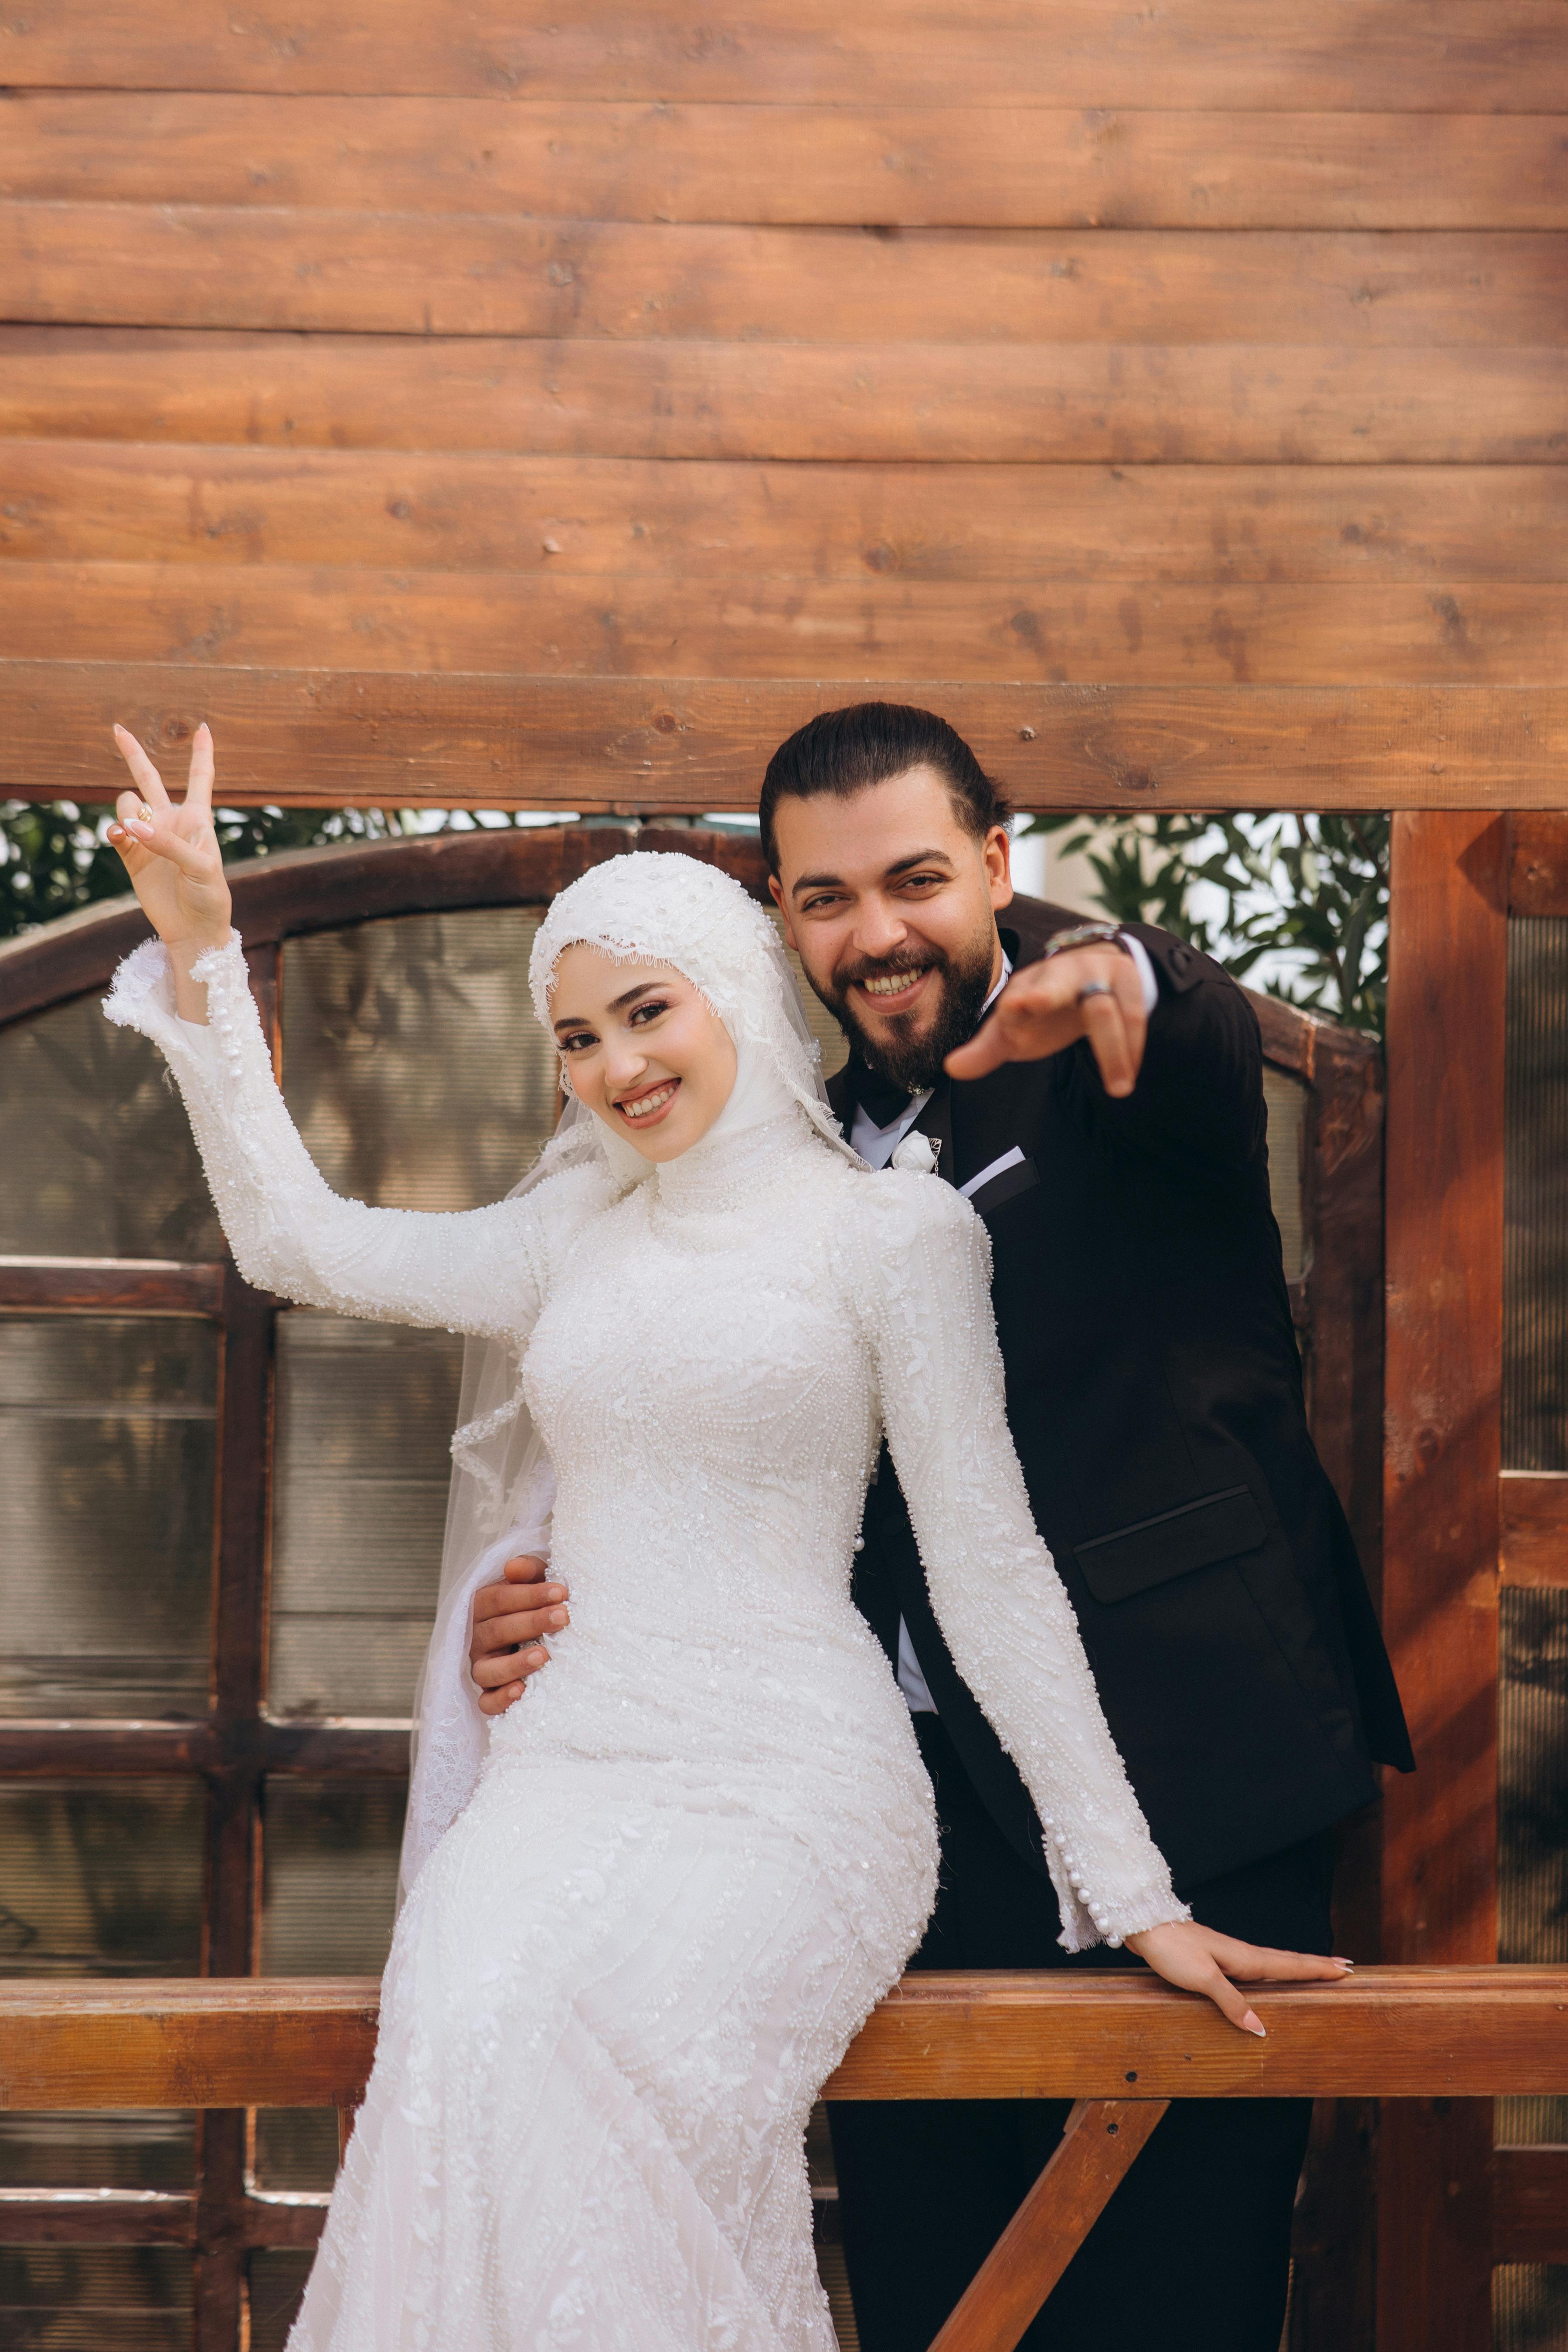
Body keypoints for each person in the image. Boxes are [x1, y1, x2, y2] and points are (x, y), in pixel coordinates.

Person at [99, 723, 1346, 2352]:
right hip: (578, 1772)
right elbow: (291, 1238)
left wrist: (1130, 1888)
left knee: (607, 2070)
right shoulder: (576, 1230)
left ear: (733, 982)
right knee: (467, 2026)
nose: (617, 1063)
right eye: (577, 1038)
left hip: (809, 1774)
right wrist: (202, 945)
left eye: (648, 1010)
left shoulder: (902, 1227)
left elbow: (987, 1567)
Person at [472, 703, 1411, 2352]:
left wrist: (1119, 976)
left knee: (1173, 2310)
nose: (876, 932)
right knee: (932, 2308)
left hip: (1194, 1780)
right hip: (884, 1836)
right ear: (782, 915)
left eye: (914, 879)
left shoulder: (1116, 1076)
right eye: (825, 898)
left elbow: (1183, 1040)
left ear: (995, 864)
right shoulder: (766, 1140)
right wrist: (546, 1605)